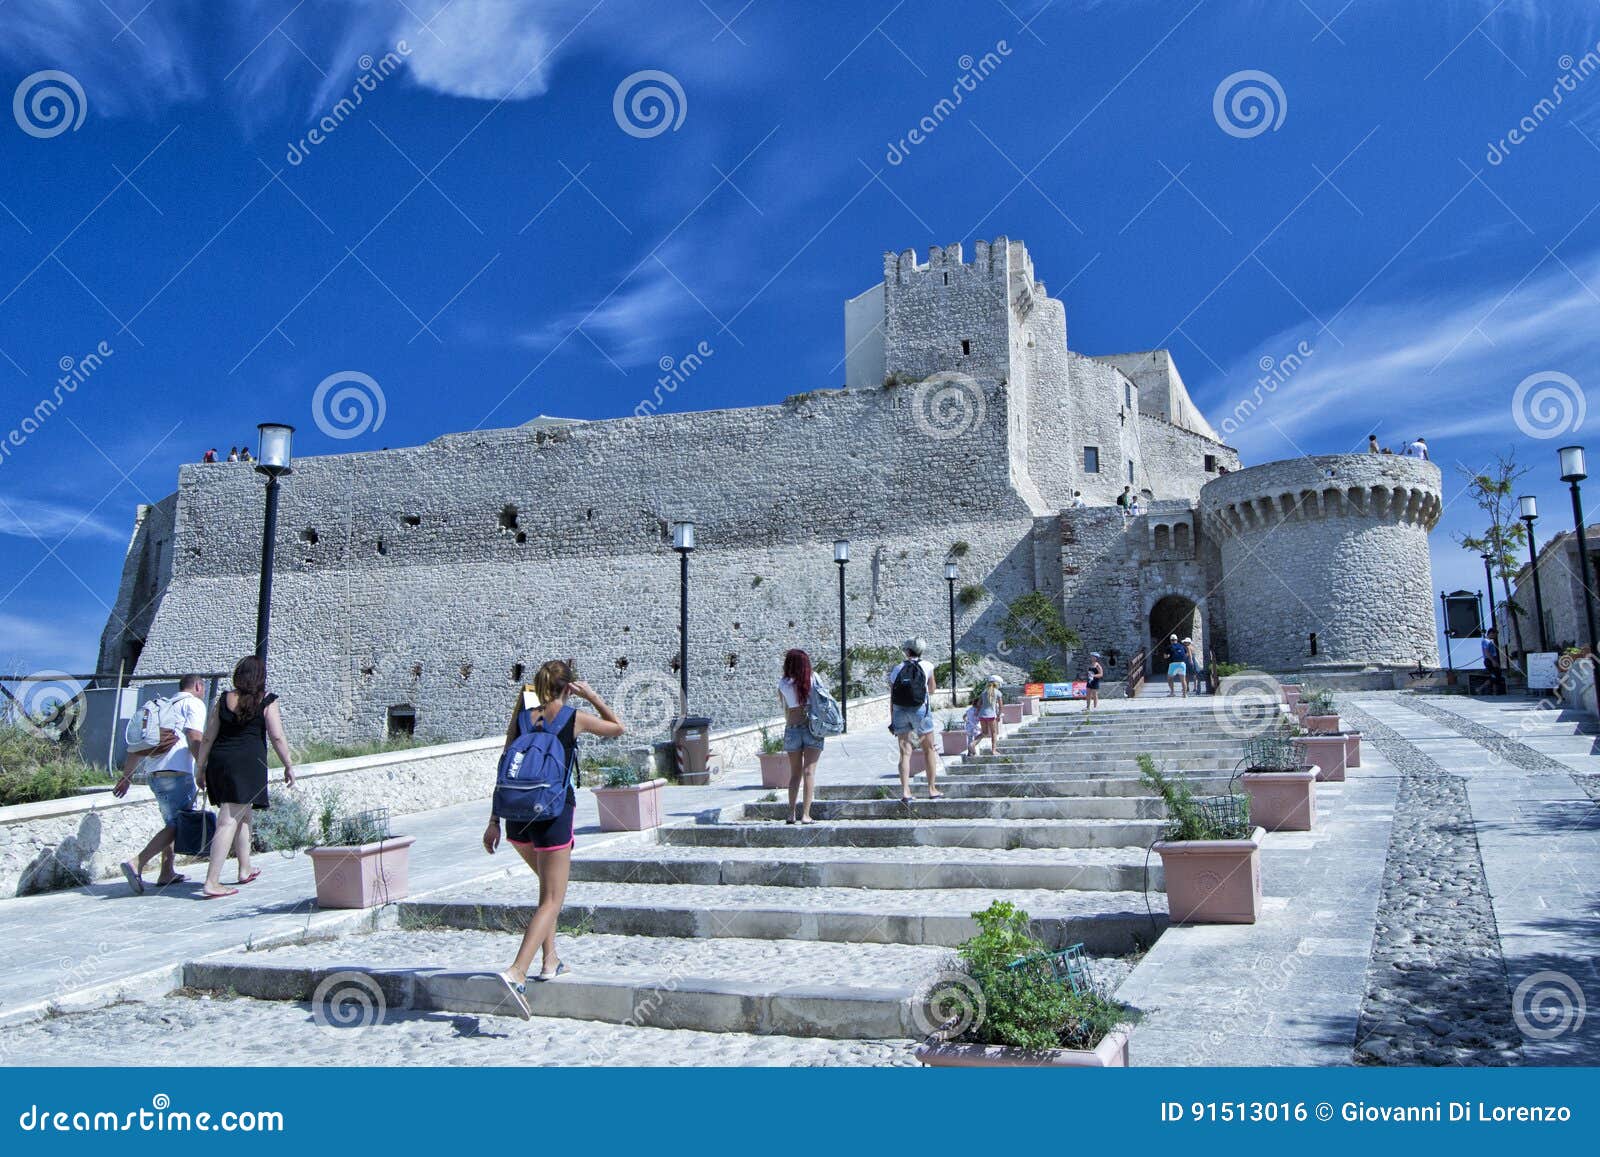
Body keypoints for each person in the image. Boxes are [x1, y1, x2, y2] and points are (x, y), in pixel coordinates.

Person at [487, 660, 623, 1002]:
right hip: (552, 814)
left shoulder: (523, 717)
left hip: (516, 819)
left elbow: (504, 765)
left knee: (546, 893)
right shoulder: (573, 718)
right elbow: (618, 727)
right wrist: (592, 696)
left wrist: (493, 821)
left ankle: (551, 961)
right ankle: (517, 971)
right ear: (568, 687)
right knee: (552, 899)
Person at [195, 656, 295, 898]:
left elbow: (208, 736)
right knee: (228, 819)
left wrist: (200, 766)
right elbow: (277, 736)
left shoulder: (224, 699)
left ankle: (244, 867)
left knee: (244, 813)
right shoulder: (267, 700)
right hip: (248, 763)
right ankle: (212, 881)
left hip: (221, 761)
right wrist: (289, 764)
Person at [115, 675, 207, 894]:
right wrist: (203, 769)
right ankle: (137, 862)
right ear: (197, 686)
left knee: (172, 822)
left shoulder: (163, 706)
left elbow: (137, 746)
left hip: (154, 774)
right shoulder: (193, 703)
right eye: (202, 688)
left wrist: (126, 777)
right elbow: (194, 737)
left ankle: (167, 871)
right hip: (177, 773)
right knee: (178, 825)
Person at [886, 638, 943, 805]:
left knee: (904, 753)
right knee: (929, 750)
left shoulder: (897, 668)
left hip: (899, 711)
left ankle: (905, 791)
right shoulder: (928, 666)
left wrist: (892, 719)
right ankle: (932, 789)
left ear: (907, 651)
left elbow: (893, 695)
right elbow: (932, 690)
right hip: (920, 711)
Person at [778, 648, 823, 825]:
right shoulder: (813, 678)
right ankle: (806, 814)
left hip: (792, 728)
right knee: (809, 772)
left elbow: (785, 706)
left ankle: (791, 814)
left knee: (795, 773)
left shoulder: (783, 683)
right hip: (812, 727)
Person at [975, 674, 1004, 754]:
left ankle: (972, 744)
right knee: (994, 733)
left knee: (984, 733)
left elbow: (978, 704)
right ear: (998, 684)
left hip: (982, 715)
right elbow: (1001, 706)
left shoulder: (984, 692)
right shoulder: (998, 692)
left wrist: (977, 712)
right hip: (991, 716)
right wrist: (999, 715)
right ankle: (994, 750)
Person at [1482, 628, 1505, 695]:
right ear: (1491, 633)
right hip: (1489, 660)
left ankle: (1495, 692)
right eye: (1495, 635)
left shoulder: (1490, 641)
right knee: (1494, 676)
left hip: (1493, 659)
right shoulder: (1486, 641)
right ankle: (1480, 688)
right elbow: (1487, 652)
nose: (1495, 637)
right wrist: (1493, 661)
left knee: (1497, 675)